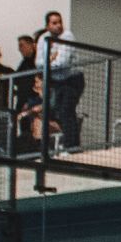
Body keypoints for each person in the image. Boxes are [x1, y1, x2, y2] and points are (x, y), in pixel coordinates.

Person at [38, 10, 83, 146]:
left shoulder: (67, 36)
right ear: (47, 26)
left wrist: (48, 62)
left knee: (66, 110)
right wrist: (51, 59)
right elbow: (37, 63)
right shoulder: (43, 38)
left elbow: (62, 63)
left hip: (72, 80)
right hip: (57, 82)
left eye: (60, 22)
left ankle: (72, 146)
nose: (58, 25)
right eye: (54, 23)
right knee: (58, 111)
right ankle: (69, 143)